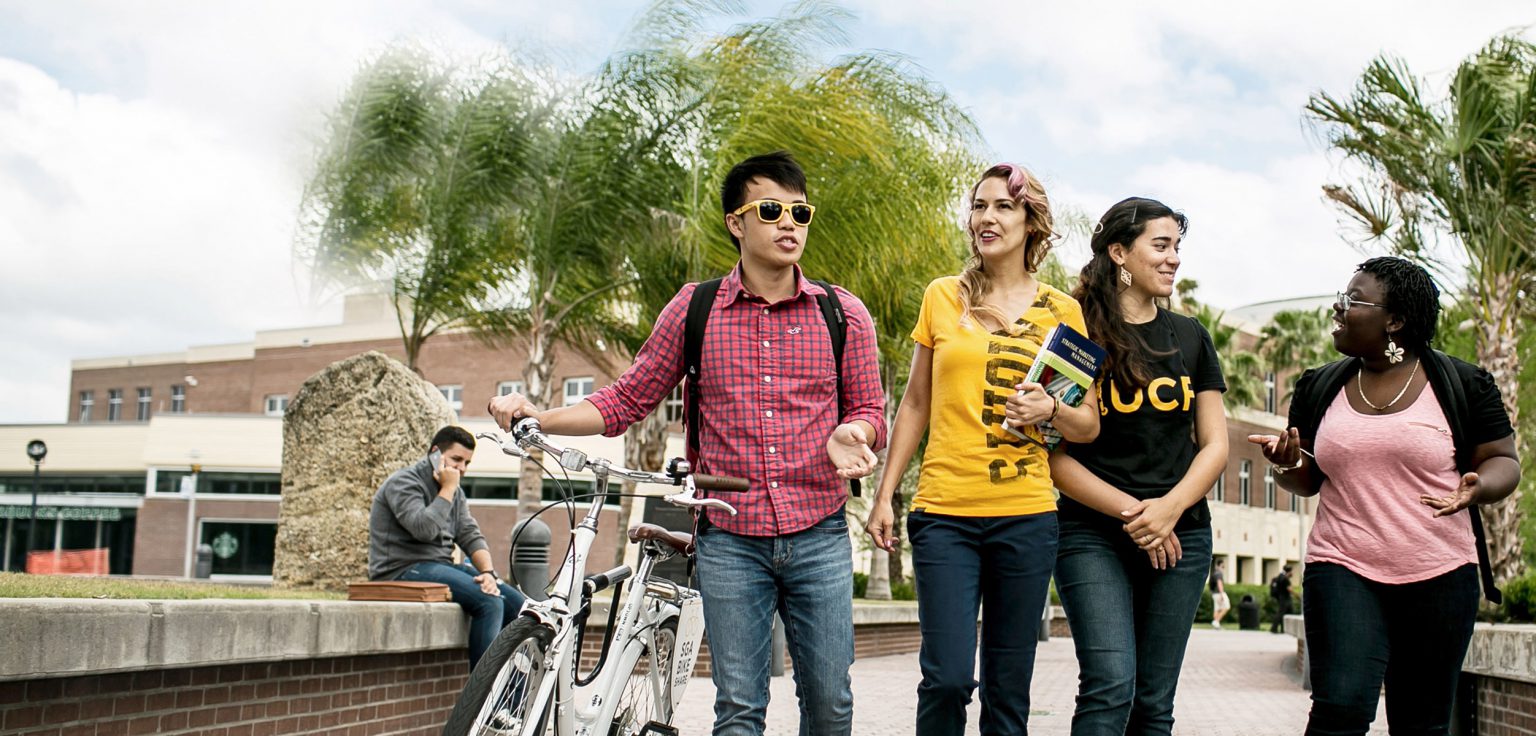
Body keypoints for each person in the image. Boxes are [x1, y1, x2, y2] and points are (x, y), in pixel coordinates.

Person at [489, 151, 886, 736]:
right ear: (736, 222)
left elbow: (869, 408)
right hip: (729, 539)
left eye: (801, 213)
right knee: (739, 709)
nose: (789, 224)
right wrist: (540, 416)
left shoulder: (842, 312)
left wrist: (857, 432)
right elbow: (626, 401)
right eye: (772, 209)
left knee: (830, 704)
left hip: (820, 533)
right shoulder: (695, 308)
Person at [864, 163, 1099, 735]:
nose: (986, 218)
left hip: (1027, 516)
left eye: (1002, 206)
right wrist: (885, 493)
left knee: (1007, 688)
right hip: (945, 514)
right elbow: (915, 403)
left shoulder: (1061, 311)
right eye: (979, 206)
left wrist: (1052, 411)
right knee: (945, 679)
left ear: (1031, 222)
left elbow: (1088, 424)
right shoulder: (943, 297)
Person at [1251, 256, 1520, 735]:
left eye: (1352, 300)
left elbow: (1503, 461)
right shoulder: (1320, 386)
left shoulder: (1463, 384)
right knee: (1341, 707)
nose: (1338, 307)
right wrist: (1288, 464)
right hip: (1343, 565)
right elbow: (1308, 480)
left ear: (1394, 319)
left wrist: (1479, 486)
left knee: (1422, 722)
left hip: (1440, 571)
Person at [1048, 197, 1229, 735]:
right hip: (1092, 533)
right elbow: (1055, 456)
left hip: (1183, 534)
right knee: (1109, 685)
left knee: (1153, 703)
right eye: (1161, 245)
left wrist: (1170, 511)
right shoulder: (1076, 338)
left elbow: (1214, 444)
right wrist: (1139, 516)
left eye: (1178, 247)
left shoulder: (1191, 336)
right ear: (1120, 252)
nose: (1174, 258)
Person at [367, 425, 527, 669]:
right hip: (402, 568)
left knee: (516, 603)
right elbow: (424, 529)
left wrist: (487, 573)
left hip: (438, 567)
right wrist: (448, 488)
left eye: (467, 463)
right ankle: (482, 697)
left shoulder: (456, 493)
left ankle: (511, 699)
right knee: (490, 602)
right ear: (435, 453)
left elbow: (470, 534)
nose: (461, 468)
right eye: (456, 459)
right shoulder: (403, 482)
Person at [1268, 564, 1293, 633]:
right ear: (1289, 571)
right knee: (1283, 613)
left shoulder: (1280, 576)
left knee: (1282, 613)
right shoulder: (1285, 579)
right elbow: (1289, 589)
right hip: (1285, 598)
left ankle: (1282, 629)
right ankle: (1274, 628)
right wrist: (1297, 595)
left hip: (1280, 597)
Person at [1209, 558, 1230, 629]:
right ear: (1218, 566)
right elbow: (1219, 583)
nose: (1223, 569)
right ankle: (1216, 621)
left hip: (1214, 594)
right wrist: (1222, 594)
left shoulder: (1214, 573)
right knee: (1226, 607)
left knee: (1217, 609)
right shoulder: (1218, 573)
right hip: (1219, 593)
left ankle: (1216, 624)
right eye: (1222, 566)